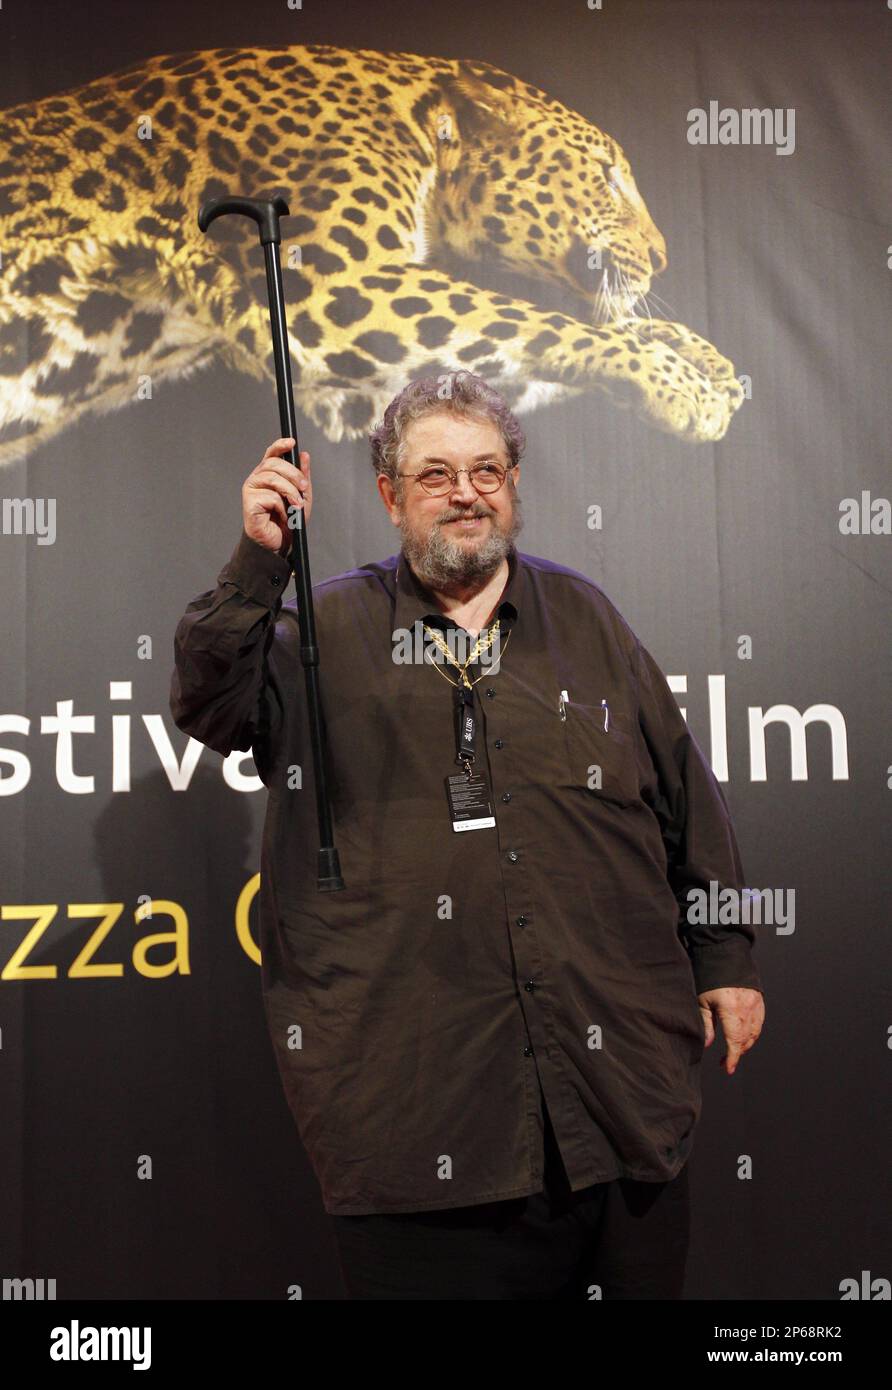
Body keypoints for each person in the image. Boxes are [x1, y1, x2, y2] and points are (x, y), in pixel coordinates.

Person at [170, 371, 765, 1300]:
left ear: (514, 483)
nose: (465, 492)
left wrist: (724, 956)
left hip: (619, 1111)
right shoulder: (319, 632)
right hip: (417, 1125)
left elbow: (684, 794)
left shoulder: (588, 620)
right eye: (436, 473)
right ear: (389, 495)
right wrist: (258, 563)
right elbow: (209, 706)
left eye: (487, 469)